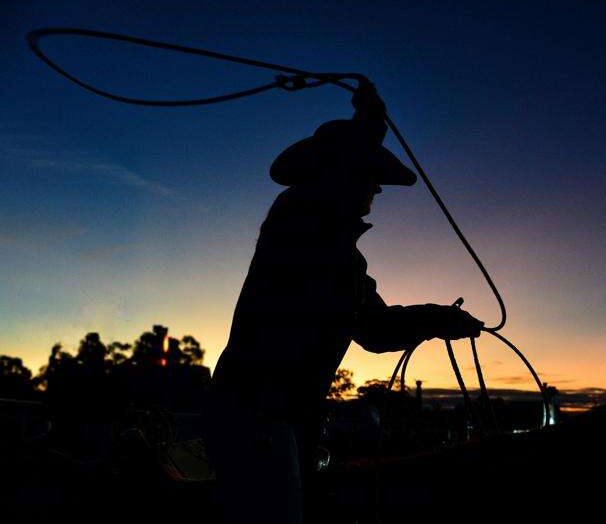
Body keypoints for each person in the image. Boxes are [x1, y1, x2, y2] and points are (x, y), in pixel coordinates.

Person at [204, 81, 484, 523]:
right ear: (342, 175)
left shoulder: (326, 246)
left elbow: (374, 330)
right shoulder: (306, 229)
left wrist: (439, 318)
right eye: (369, 176)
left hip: (267, 416)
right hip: (260, 417)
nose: (377, 188)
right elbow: (375, 330)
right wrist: (370, 126)